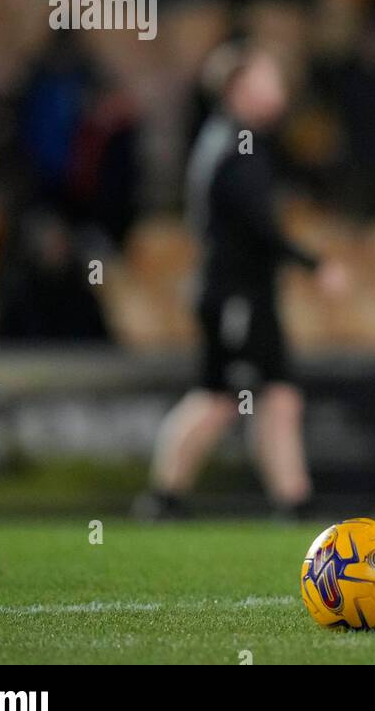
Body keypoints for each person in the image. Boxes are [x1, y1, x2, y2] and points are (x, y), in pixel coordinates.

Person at [136, 43, 347, 520]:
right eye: (267, 78)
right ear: (238, 89)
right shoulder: (234, 145)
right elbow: (261, 228)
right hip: (234, 296)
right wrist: (316, 265)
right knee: (219, 398)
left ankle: (294, 501)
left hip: (251, 294)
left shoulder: (240, 142)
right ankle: (163, 497)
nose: (279, 89)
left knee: (280, 396)